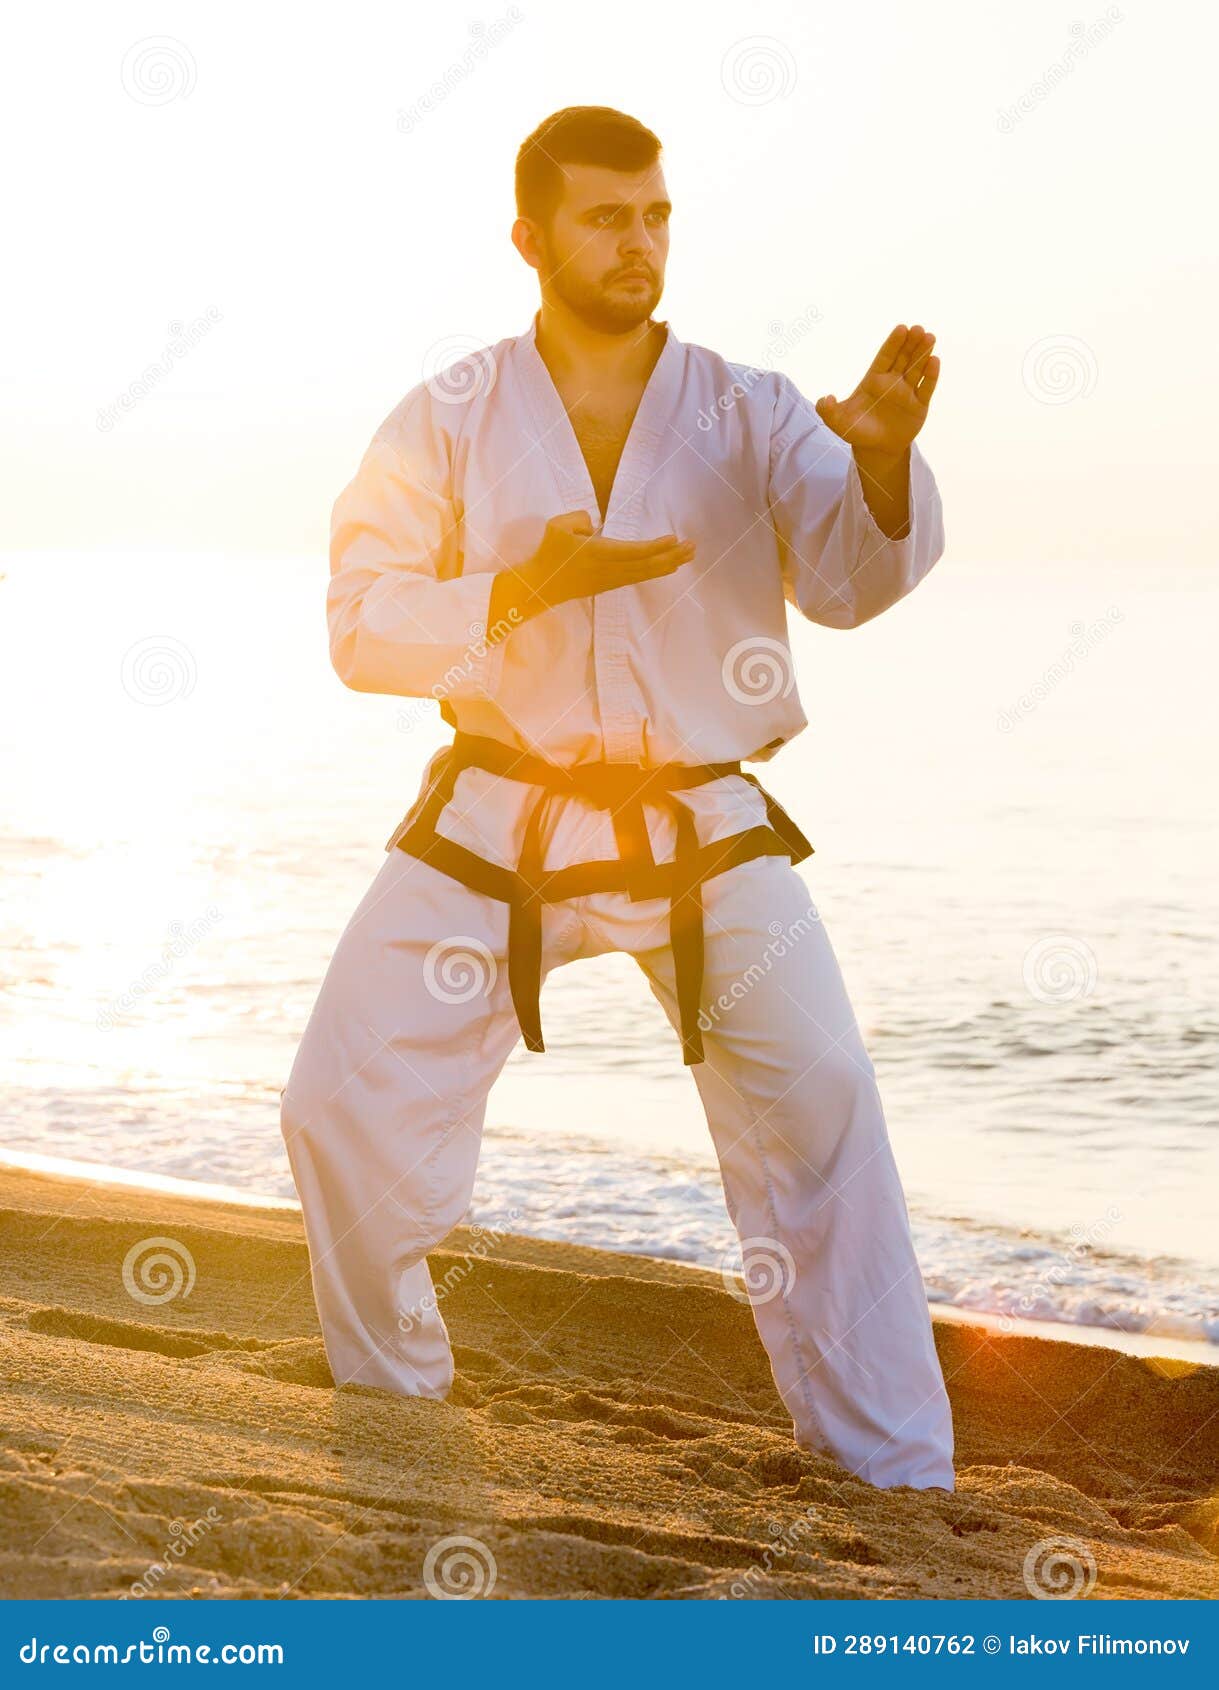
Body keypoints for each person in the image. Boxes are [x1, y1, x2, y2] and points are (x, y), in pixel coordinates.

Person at [281, 105, 955, 1490]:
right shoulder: (449, 414)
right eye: (606, 216)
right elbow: (359, 623)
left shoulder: (753, 407)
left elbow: (847, 583)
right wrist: (524, 585)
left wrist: (880, 460)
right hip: (498, 817)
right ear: (529, 236)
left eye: (655, 214)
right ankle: (397, 1400)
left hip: (699, 821)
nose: (639, 241)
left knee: (824, 1102)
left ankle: (893, 1468)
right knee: (336, 1102)